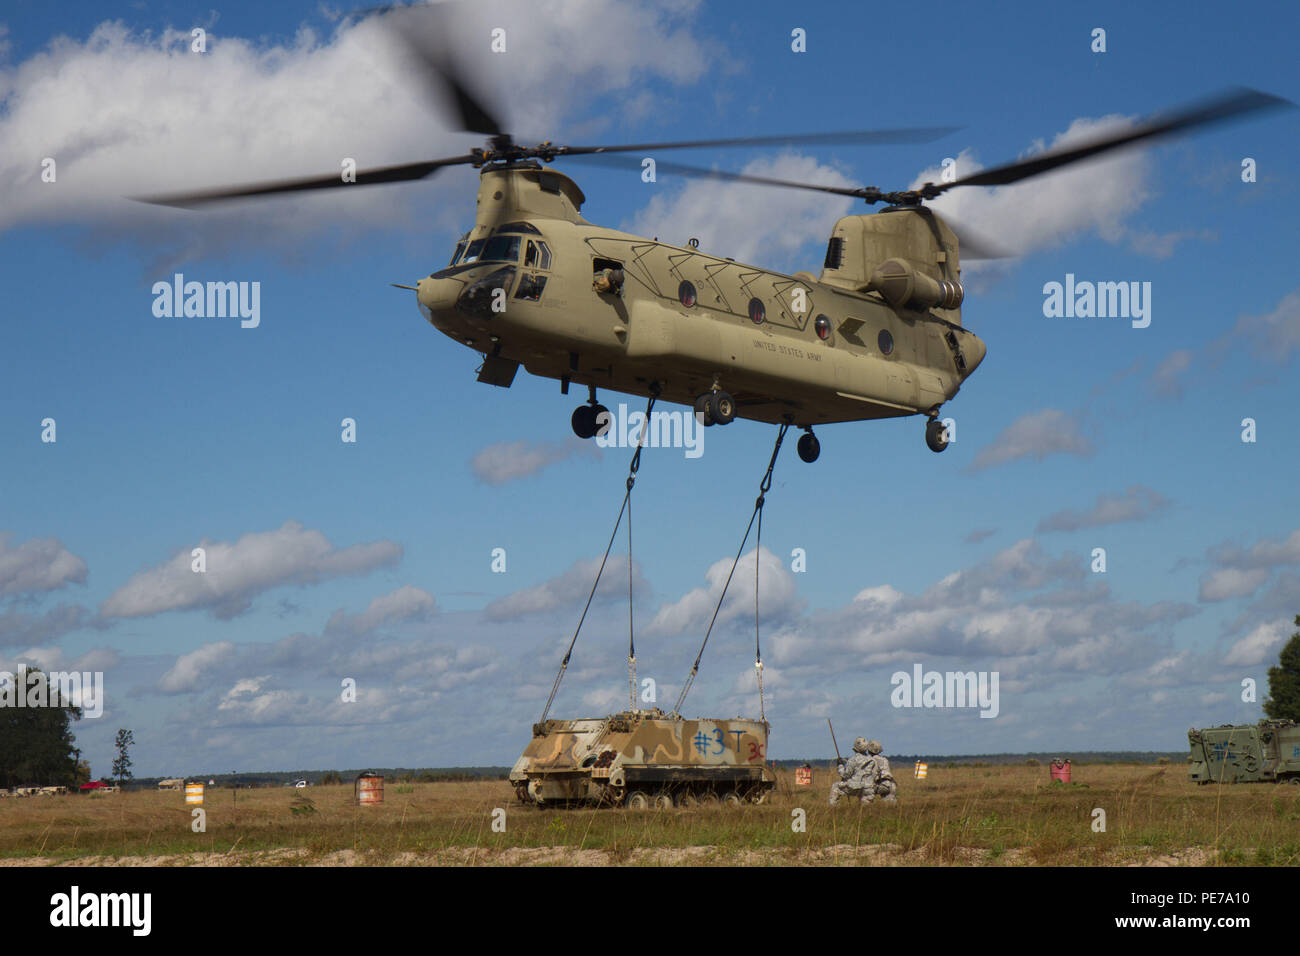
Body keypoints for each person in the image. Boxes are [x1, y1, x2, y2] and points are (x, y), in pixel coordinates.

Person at [829, 737, 874, 805]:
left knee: (835, 786)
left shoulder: (853, 759)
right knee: (866, 807)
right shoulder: (872, 759)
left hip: (854, 787)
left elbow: (846, 775)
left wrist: (840, 766)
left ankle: (834, 808)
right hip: (868, 787)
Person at [864, 739, 897, 804]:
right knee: (890, 807)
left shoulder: (872, 760)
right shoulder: (884, 759)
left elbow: (872, 775)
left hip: (881, 784)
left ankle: (866, 809)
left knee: (865, 795)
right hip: (891, 784)